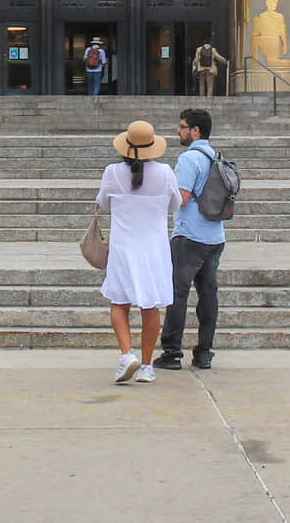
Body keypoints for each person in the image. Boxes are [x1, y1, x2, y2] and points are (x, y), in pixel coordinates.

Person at [96, 119, 176, 385]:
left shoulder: (112, 172)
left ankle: (125, 354)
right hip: (153, 247)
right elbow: (175, 203)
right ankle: (146, 365)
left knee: (119, 302)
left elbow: (103, 204)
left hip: (124, 245)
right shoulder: (165, 172)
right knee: (150, 305)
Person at [155, 107, 225, 372]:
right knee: (208, 294)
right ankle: (204, 352)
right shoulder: (215, 156)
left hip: (189, 236)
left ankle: (172, 352)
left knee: (178, 293)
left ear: (195, 131)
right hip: (215, 235)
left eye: (183, 126)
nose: (178, 130)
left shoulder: (189, 159)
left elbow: (180, 198)